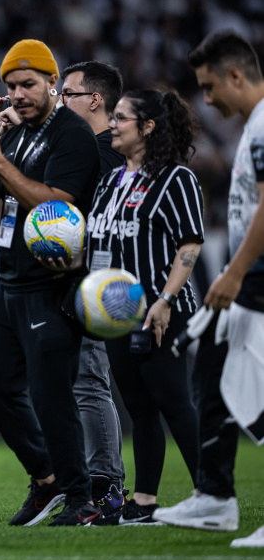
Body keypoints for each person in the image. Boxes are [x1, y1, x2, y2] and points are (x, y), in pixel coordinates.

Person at [0, 39, 101, 526]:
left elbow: (60, 206)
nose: (18, 94)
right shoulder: (16, 134)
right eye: (11, 85)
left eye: (28, 84)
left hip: (50, 285)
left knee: (51, 394)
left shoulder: (71, 135)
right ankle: (46, 480)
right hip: (8, 284)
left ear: (53, 82)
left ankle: (81, 499)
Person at [153, 30, 264, 548]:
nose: (208, 98)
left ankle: (215, 496)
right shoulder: (253, 127)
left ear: (236, 76)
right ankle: (215, 498)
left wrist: (236, 271)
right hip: (251, 273)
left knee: (248, 387)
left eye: (211, 86)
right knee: (213, 369)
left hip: (257, 275)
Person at [84, 88, 204, 525]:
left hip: (160, 309)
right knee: (140, 407)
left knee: (174, 400)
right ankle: (145, 502)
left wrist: (166, 300)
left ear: (148, 127)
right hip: (116, 314)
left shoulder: (177, 178)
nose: (111, 125)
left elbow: (190, 243)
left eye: (120, 118)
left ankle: (213, 493)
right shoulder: (110, 180)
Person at [57, 61, 129, 522]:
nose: (60, 101)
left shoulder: (105, 148)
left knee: (88, 379)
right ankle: (87, 479)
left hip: (101, 280)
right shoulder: (90, 146)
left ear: (95, 99)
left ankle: (105, 483)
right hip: (78, 278)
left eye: (68, 94)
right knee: (79, 380)